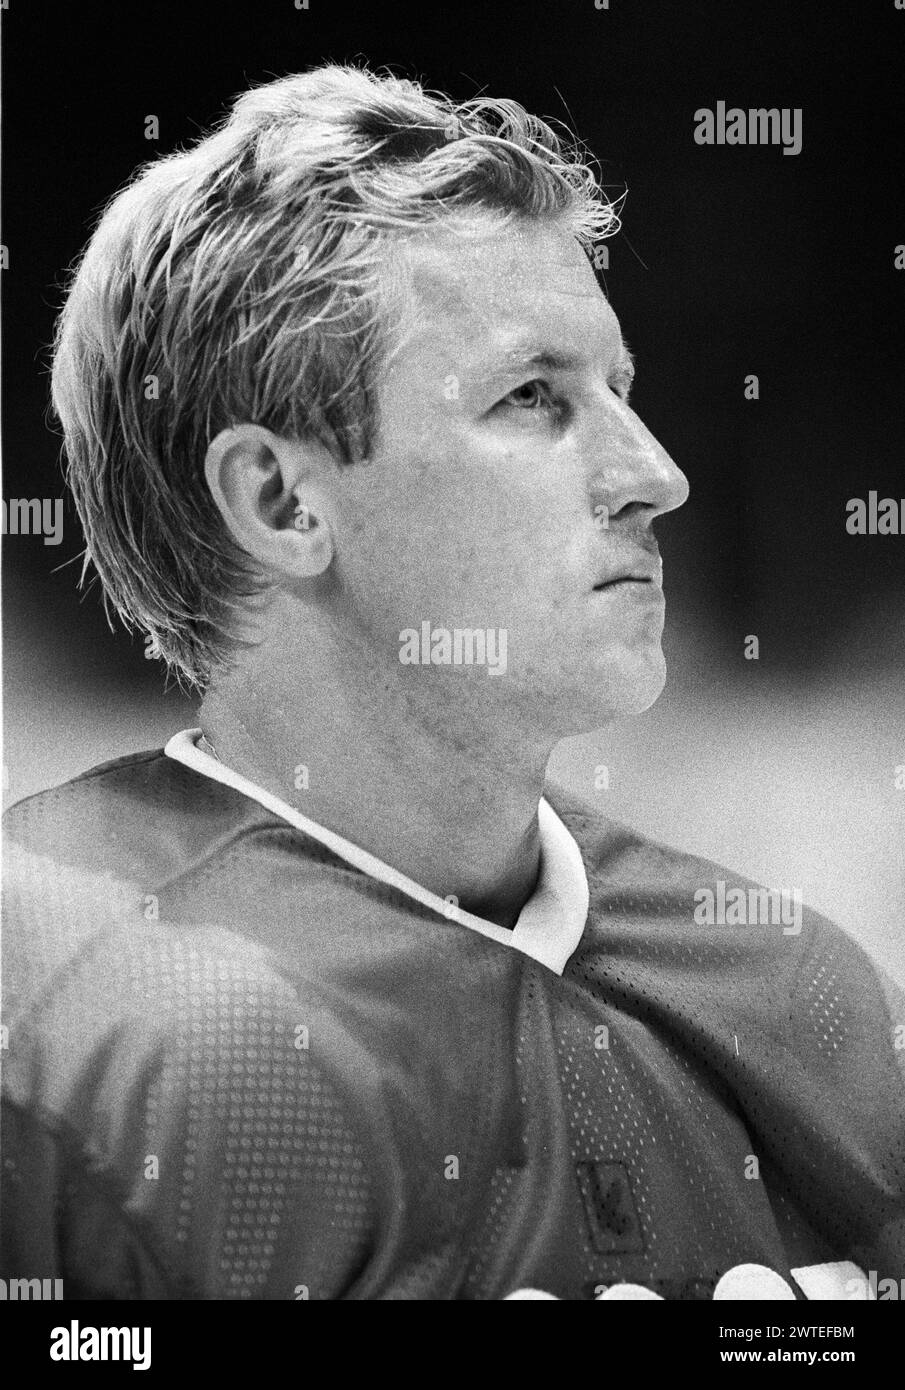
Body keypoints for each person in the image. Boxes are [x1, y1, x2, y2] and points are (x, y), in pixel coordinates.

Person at [2, 64, 902, 1301]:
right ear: (280, 499)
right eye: (531, 397)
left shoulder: (799, 988)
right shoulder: (59, 1024)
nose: (654, 472)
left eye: (618, 391)